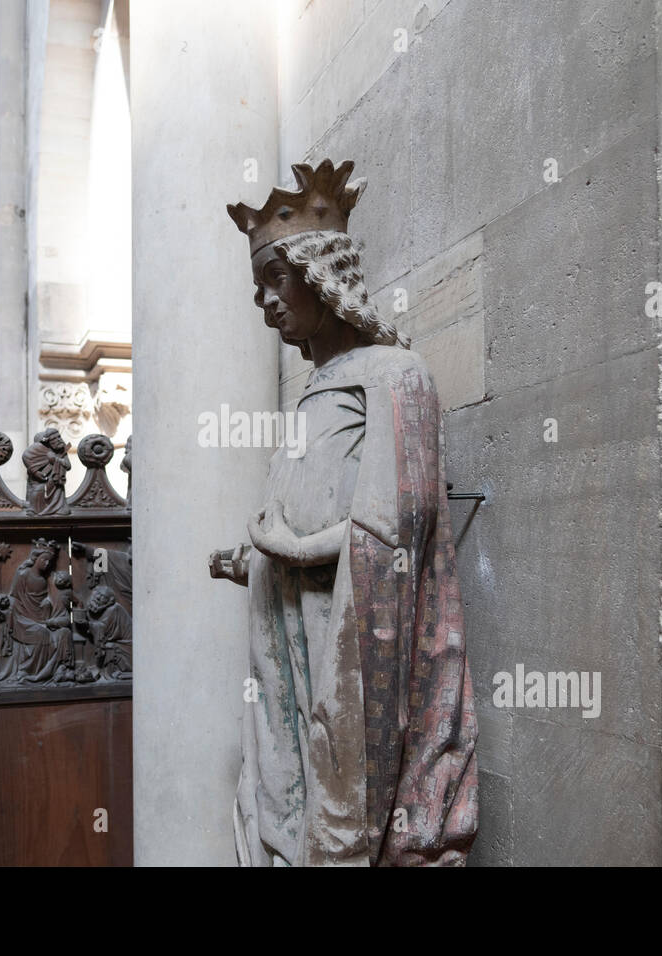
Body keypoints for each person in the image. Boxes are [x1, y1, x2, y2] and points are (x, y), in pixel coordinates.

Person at [213, 160, 478, 866]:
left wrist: (295, 551)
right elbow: (307, 504)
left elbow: (401, 520)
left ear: (322, 272)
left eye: (278, 280)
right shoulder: (313, 391)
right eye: (258, 288)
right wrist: (254, 558)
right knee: (281, 787)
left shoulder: (395, 375)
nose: (267, 302)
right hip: (287, 625)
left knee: (341, 785)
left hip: (347, 635)